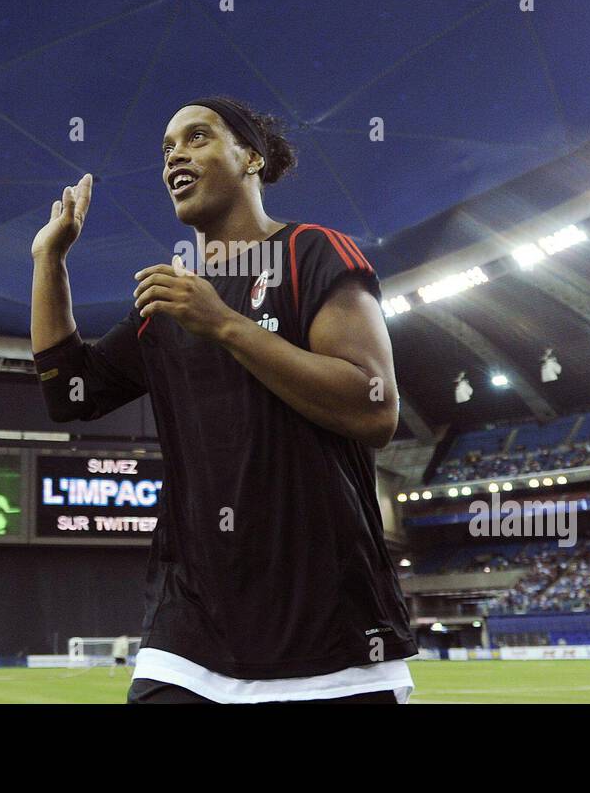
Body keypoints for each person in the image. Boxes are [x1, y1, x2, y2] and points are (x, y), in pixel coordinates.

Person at [31, 96, 415, 704]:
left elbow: (373, 408)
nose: (175, 156)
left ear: (251, 157)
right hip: (191, 637)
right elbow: (69, 393)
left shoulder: (311, 252)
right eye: (166, 148)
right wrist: (48, 260)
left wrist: (227, 325)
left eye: (197, 137)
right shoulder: (168, 306)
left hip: (333, 638)